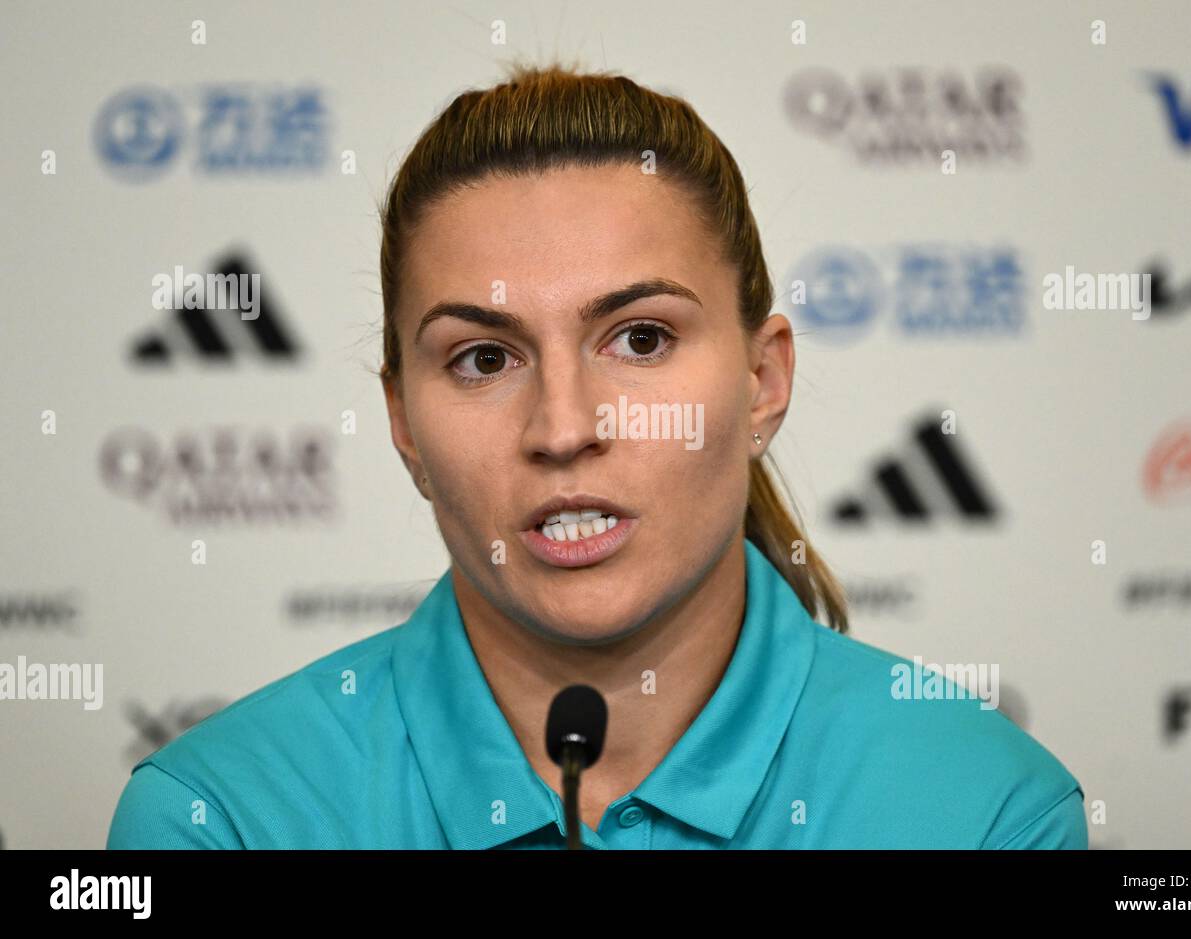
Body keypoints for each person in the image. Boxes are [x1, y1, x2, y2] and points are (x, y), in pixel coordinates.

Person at [107, 61, 1087, 849]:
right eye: (484, 358)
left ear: (762, 381)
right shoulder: (223, 819)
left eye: (641, 340)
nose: (564, 426)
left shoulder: (984, 813)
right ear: (402, 420)